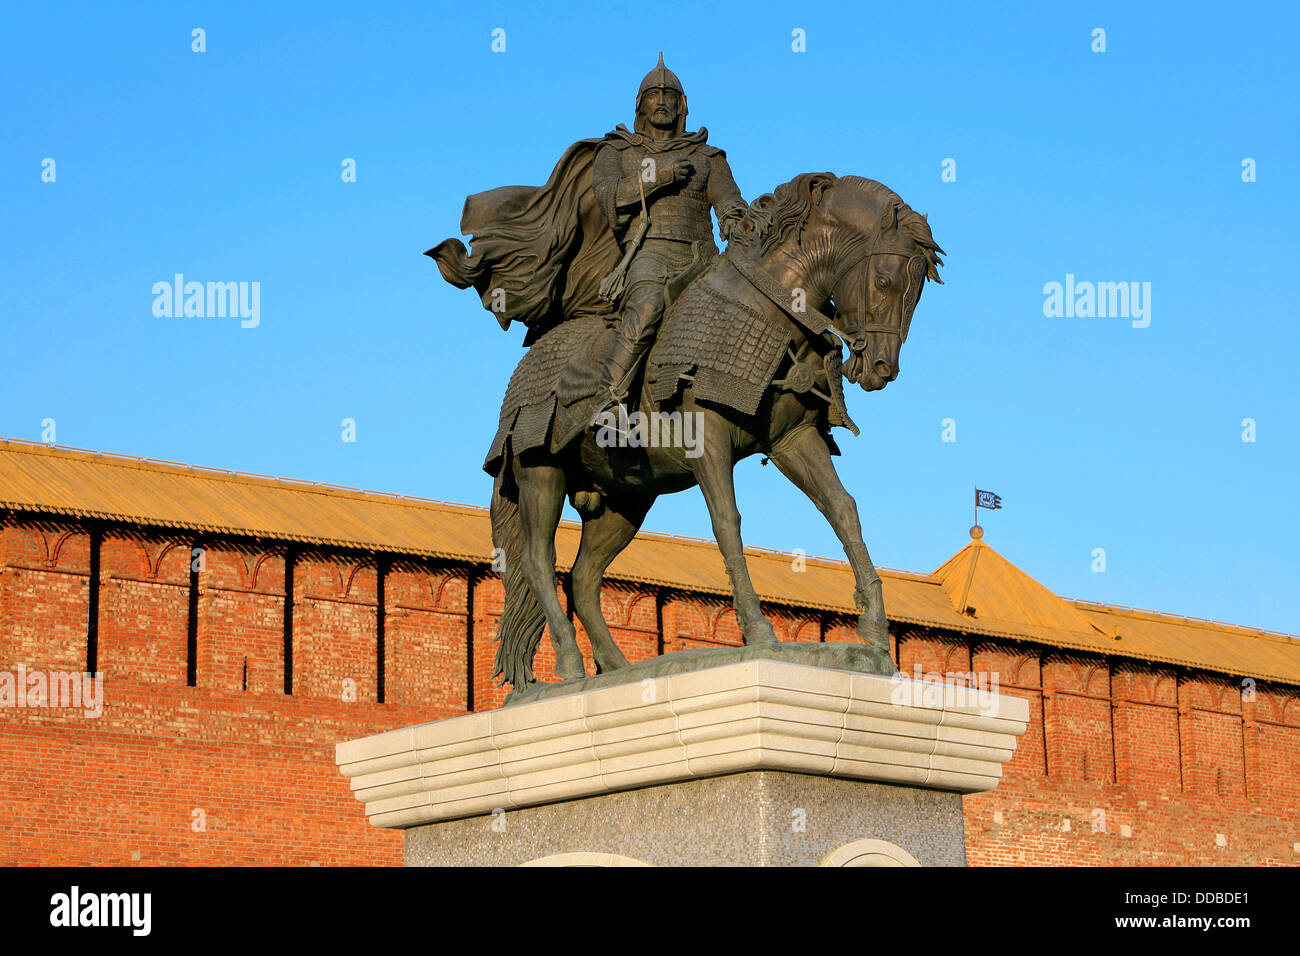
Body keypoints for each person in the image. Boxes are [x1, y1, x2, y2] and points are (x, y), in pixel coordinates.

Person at [590, 53, 747, 423]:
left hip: (705, 258)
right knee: (646, 310)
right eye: (653, 94)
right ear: (640, 105)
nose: (662, 100)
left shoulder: (707, 156)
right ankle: (608, 401)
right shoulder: (618, 150)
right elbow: (608, 197)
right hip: (649, 254)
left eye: (669, 95)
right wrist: (658, 177)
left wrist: (735, 219)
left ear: (682, 105)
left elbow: (729, 200)